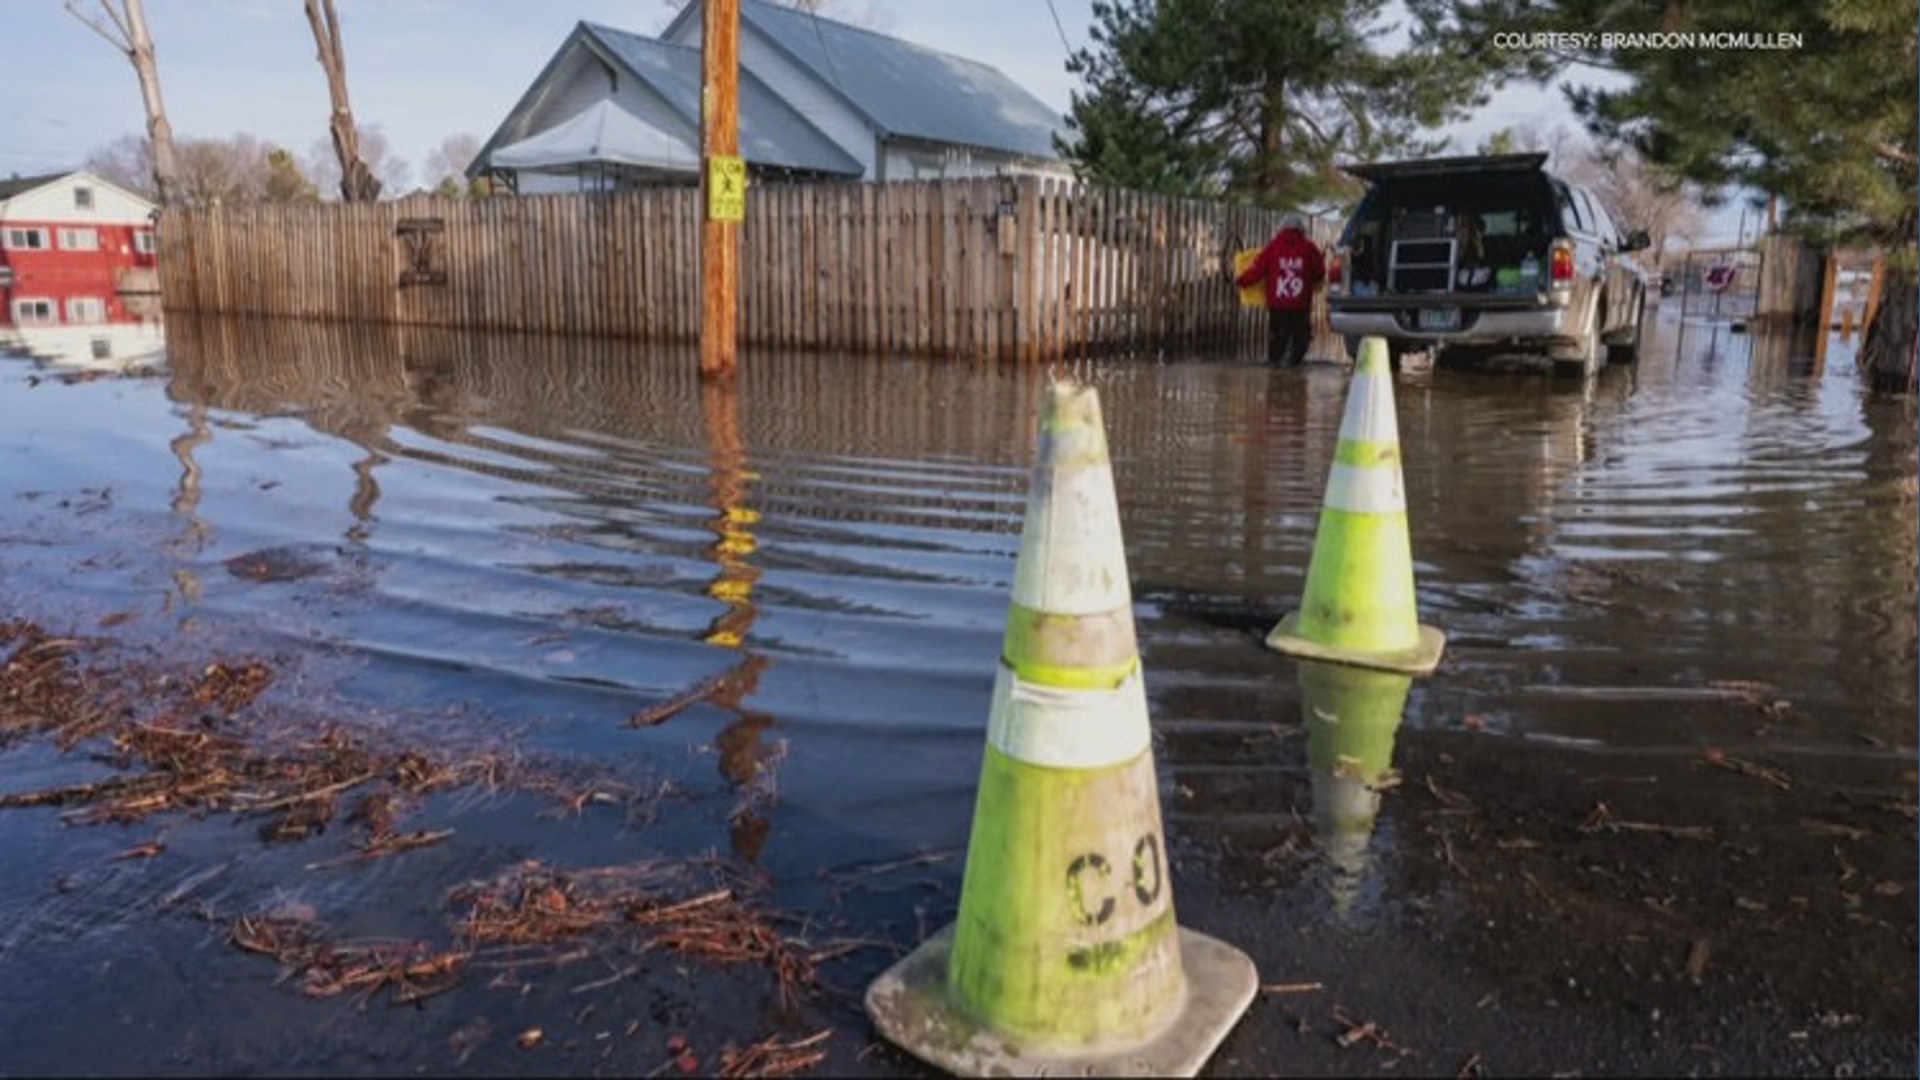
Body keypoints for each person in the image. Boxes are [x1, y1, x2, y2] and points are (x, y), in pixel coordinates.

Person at [1236, 213, 1326, 367]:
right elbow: (1320, 272)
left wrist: (1241, 281)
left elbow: (1257, 270)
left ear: (1282, 228)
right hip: (1300, 306)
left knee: (1277, 343)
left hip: (1278, 306)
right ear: (1301, 229)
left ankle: (1275, 373)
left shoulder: (1273, 246)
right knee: (1300, 342)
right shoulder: (1309, 247)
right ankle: (1294, 372)